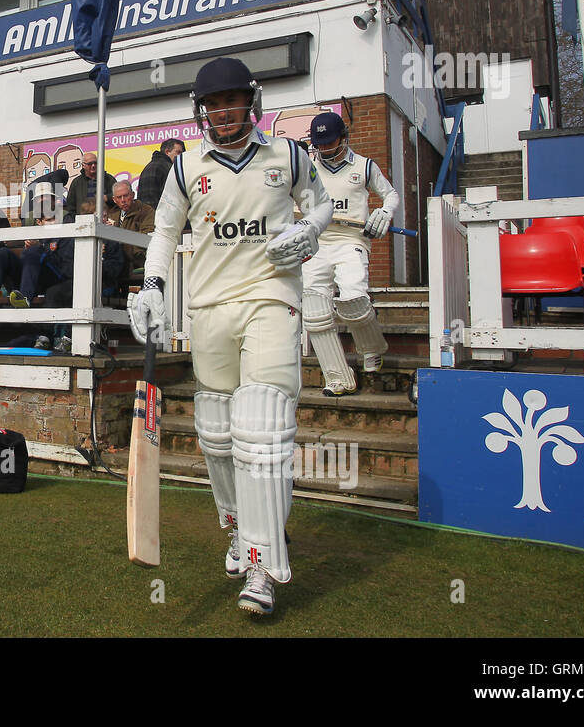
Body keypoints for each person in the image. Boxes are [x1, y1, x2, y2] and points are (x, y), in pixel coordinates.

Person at [129, 57, 332, 617]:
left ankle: (264, 566)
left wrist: (306, 232)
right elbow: (165, 233)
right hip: (209, 308)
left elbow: (321, 208)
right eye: (213, 104)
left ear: (251, 102)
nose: (223, 112)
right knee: (217, 435)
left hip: (272, 298)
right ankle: (241, 531)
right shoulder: (184, 168)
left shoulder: (288, 155)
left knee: (262, 424)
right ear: (202, 111)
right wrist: (151, 289)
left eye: (231, 101)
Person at [301, 113, 398, 396]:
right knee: (315, 309)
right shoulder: (308, 168)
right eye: (321, 145)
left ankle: (372, 348)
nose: (327, 150)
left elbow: (390, 194)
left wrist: (384, 212)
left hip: (351, 240)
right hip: (318, 243)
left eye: (331, 143)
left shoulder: (365, 166)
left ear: (344, 137)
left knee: (353, 298)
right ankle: (337, 377)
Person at [111, 180, 155, 281]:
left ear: (133, 195)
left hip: (137, 262)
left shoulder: (146, 211)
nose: (123, 200)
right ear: (114, 199)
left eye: (126, 196)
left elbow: (147, 236)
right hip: (116, 263)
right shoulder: (110, 214)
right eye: (119, 197)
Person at [135, 138, 185, 210]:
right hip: (161, 216)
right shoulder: (168, 167)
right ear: (167, 152)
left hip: (146, 216)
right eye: (178, 152)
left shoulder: (149, 166)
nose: (181, 156)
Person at [63, 152, 117, 218]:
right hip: (83, 220)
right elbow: (71, 206)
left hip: (105, 219)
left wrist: (107, 198)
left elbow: (118, 197)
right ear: (83, 165)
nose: (93, 165)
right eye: (90, 164)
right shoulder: (77, 182)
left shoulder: (108, 179)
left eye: (95, 163)